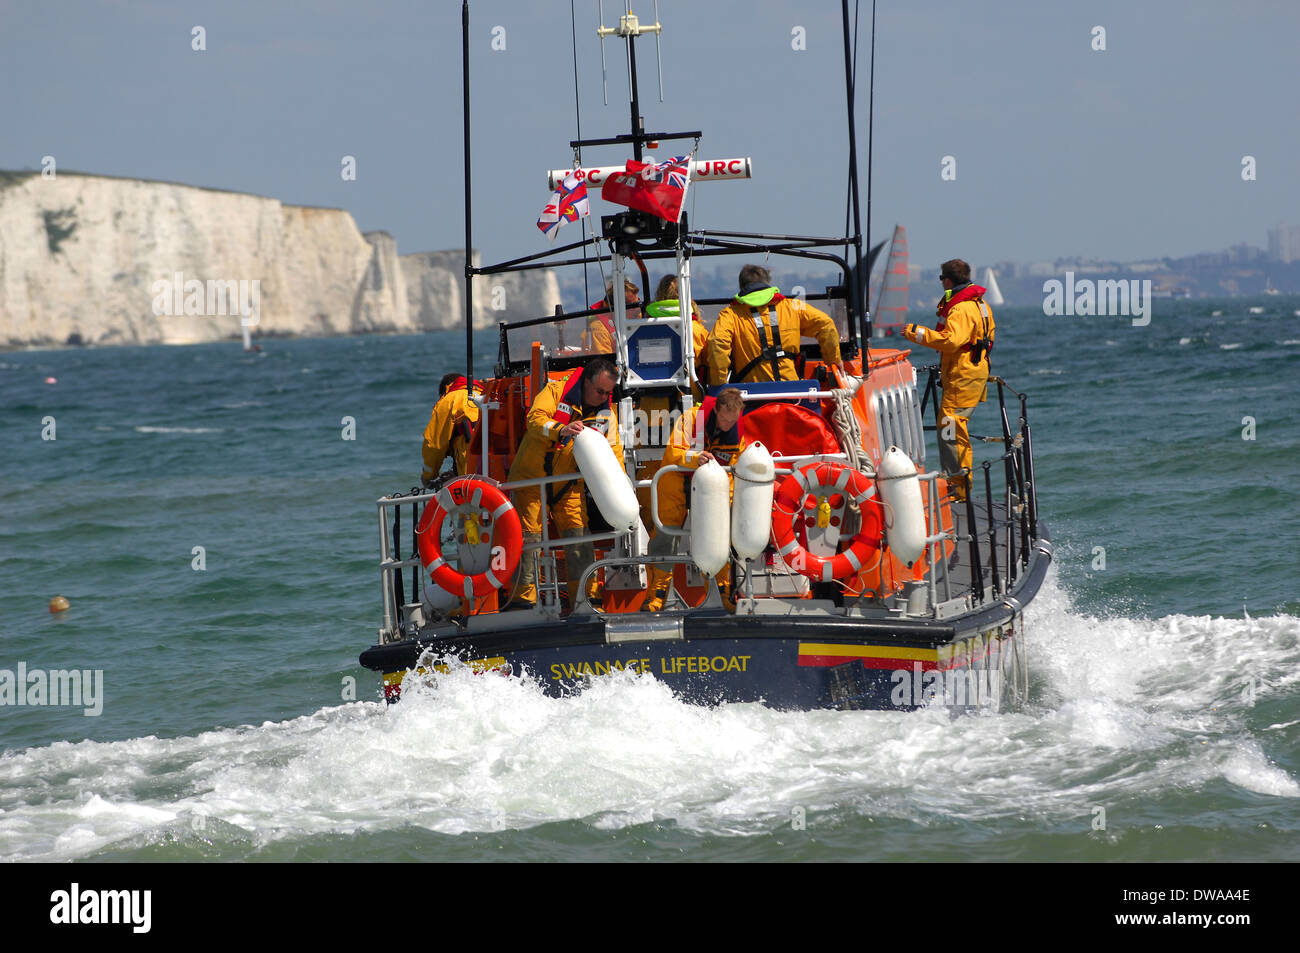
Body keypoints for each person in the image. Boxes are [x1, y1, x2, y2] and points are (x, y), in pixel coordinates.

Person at [506, 357, 623, 607]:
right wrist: (560, 429)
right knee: (529, 540)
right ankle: (523, 601)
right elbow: (535, 419)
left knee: (579, 536)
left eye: (608, 392)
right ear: (586, 383)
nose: (603, 396)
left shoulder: (606, 415)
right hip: (530, 479)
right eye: (599, 391)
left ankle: (586, 599)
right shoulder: (555, 391)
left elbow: (614, 453)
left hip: (567, 484)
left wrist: (622, 486)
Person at [644, 387, 746, 612]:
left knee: (719, 539)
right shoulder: (690, 419)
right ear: (716, 410)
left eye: (732, 421)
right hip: (675, 484)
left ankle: (724, 594)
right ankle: (656, 596)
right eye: (724, 420)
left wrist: (727, 502)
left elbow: (733, 470)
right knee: (665, 539)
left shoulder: (738, 433)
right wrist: (696, 458)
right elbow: (674, 451)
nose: (728, 425)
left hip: (712, 492)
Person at [901, 258, 995, 502]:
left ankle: (958, 486)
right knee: (954, 425)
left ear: (948, 280)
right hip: (973, 371)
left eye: (941, 278)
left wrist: (915, 332)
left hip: (962, 375)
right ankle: (959, 483)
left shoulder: (960, 308)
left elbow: (951, 341)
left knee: (950, 427)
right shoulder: (980, 304)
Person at [707, 264, 842, 385]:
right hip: (793, 392)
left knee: (703, 412)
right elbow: (826, 325)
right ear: (767, 283)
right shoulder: (793, 306)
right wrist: (834, 361)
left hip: (751, 396)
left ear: (742, 286)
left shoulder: (730, 314)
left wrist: (718, 383)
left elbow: (717, 342)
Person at [645, 273, 710, 390]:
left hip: (651, 399)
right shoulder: (696, 329)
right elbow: (708, 362)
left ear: (659, 295)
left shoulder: (643, 327)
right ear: (686, 296)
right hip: (689, 394)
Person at [420, 373, 482, 485]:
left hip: (473, 470)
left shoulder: (449, 400)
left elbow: (434, 446)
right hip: (500, 465)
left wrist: (427, 477)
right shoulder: (487, 394)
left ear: (445, 389)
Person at [582, 278, 639, 354]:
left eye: (638, 301)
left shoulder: (637, 315)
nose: (638, 308)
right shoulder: (599, 330)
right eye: (633, 305)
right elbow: (603, 363)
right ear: (618, 307)